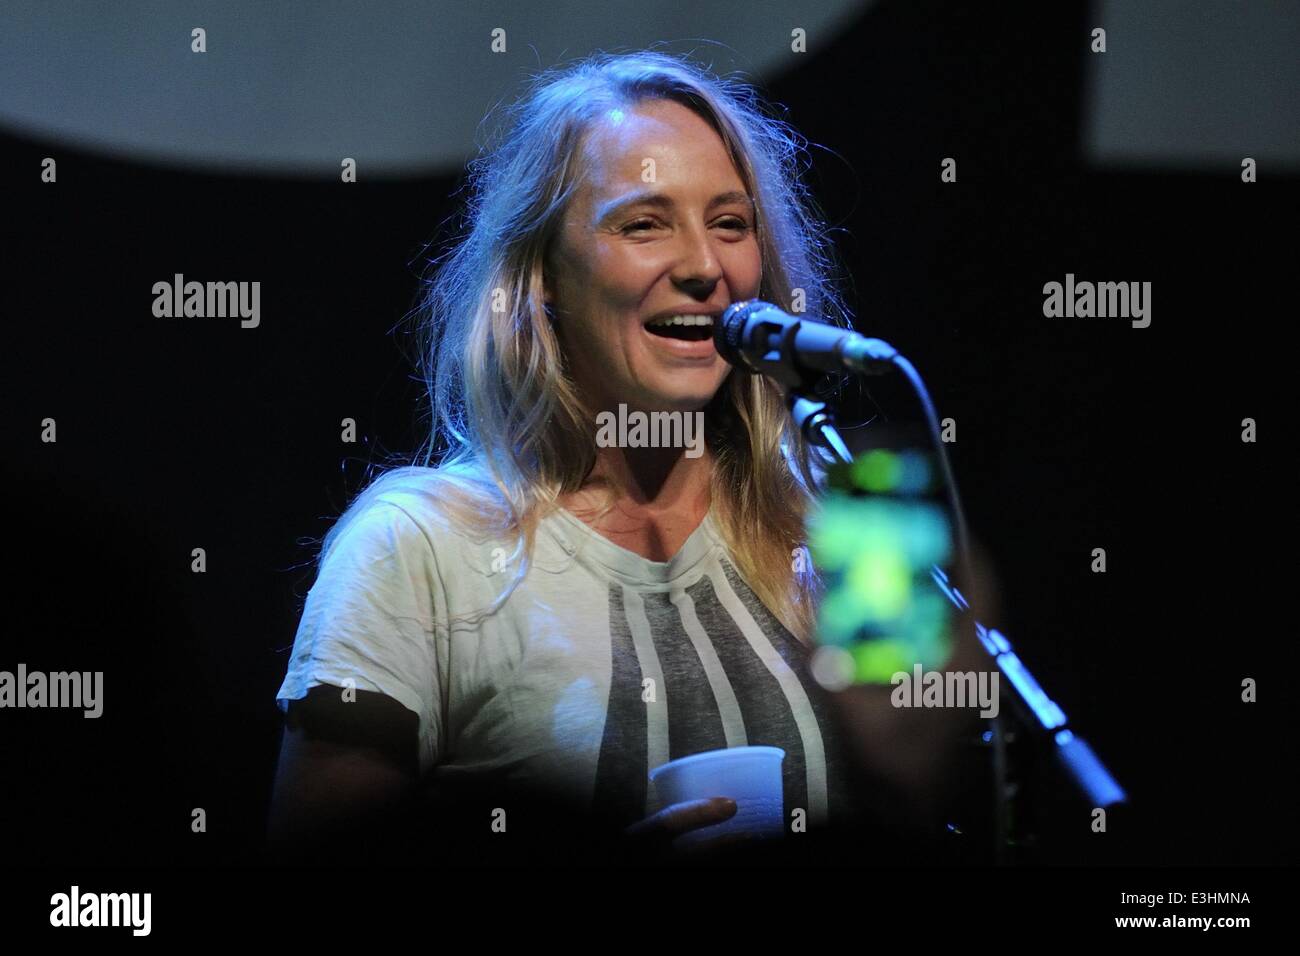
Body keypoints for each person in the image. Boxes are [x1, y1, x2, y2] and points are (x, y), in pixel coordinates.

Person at [267, 50, 979, 867]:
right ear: (544, 281)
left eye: (730, 223)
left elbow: (928, 808)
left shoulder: (844, 527)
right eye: (644, 223)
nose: (704, 267)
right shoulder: (417, 548)